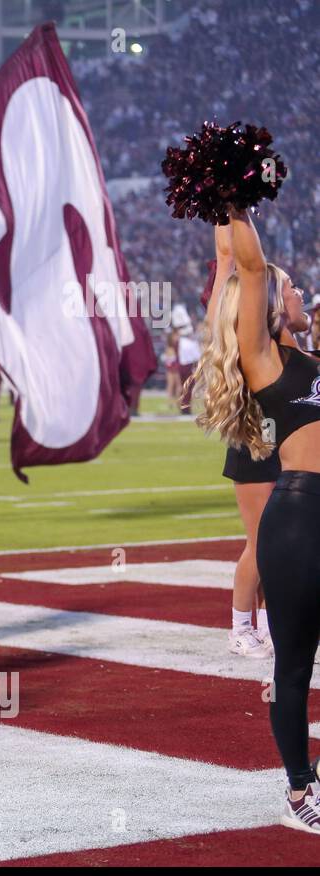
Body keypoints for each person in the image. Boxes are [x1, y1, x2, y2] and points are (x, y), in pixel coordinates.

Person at [190, 208, 318, 832]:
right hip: (300, 519)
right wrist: (236, 205)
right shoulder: (267, 362)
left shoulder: (313, 357)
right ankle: (300, 790)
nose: (297, 292)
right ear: (265, 305)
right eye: (287, 286)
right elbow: (240, 263)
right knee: (293, 666)